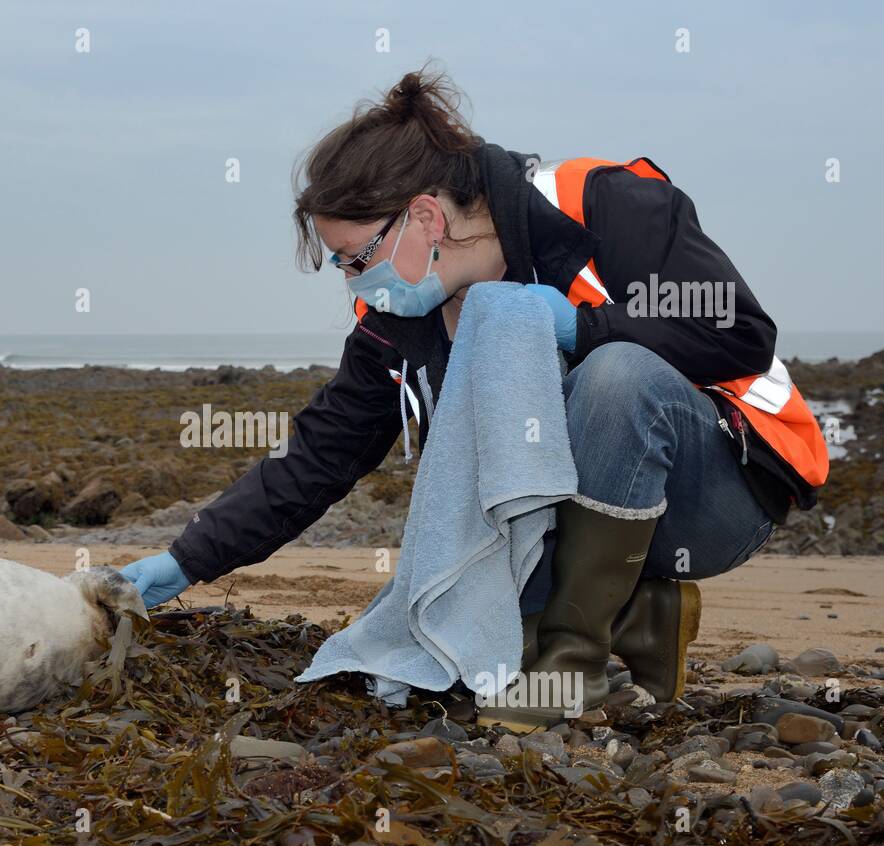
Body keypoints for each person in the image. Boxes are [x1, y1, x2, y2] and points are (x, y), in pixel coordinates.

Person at [119, 65, 829, 728]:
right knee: (459, 628)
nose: (353, 283)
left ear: (426, 217)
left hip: (724, 492)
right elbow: (316, 459)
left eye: (357, 258)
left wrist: (580, 325)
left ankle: (573, 666)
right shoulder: (397, 323)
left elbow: (736, 331)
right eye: (340, 266)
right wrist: (185, 562)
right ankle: (639, 615)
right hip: (582, 526)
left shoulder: (600, 202)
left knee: (617, 374)